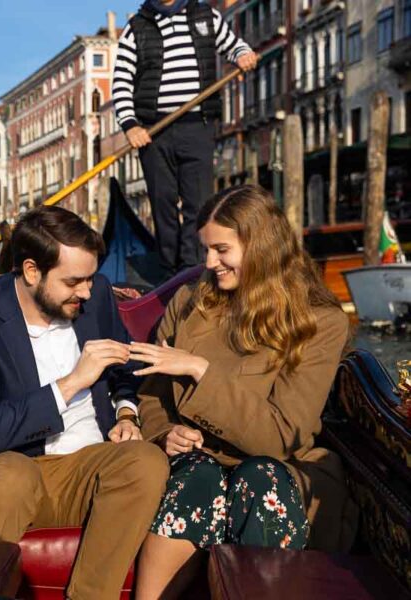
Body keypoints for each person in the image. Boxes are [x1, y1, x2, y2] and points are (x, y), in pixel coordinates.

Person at [129, 185, 352, 598]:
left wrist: (199, 369)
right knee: (198, 476)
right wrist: (165, 434)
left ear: (261, 245)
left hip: (279, 466)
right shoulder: (189, 302)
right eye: (206, 250)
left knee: (260, 477)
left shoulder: (319, 323)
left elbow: (281, 437)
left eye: (222, 250)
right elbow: (153, 395)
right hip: (197, 463)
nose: (210, 263)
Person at [0, 205, 169, 599]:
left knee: (146, 460)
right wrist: (72, 382)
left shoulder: (94, 298)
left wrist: (127, 413)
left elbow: (123, 371)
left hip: (86, 467)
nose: (86, 291)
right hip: (10, 465)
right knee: (14, 473)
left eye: (90, 278)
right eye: (73, 281)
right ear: (32, 272)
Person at [112, 0, 258, 278]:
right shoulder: (137, 28)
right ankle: (169, 271)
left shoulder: (205, 16)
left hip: (196, 126)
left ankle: (194, 269)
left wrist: (243, 54)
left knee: (200, 203)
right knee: (162, 204)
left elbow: (233, 45)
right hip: (153, 132)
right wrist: (130, 125)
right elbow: (121, 80)